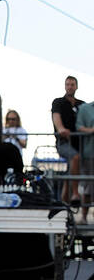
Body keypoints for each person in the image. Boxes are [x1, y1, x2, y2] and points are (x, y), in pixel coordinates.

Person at [52, 75, 84, 208]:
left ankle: (64, 205)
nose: (70, 87)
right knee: (75, 158)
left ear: (76, 86)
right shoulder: (58, 102)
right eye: (67, 84)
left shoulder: (82, 104)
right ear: (65, 86)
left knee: (69, 175)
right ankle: (75, 193)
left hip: (80, 144)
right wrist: (61, 129)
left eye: (72, 84)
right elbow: (56, 117)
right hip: (64, 143)